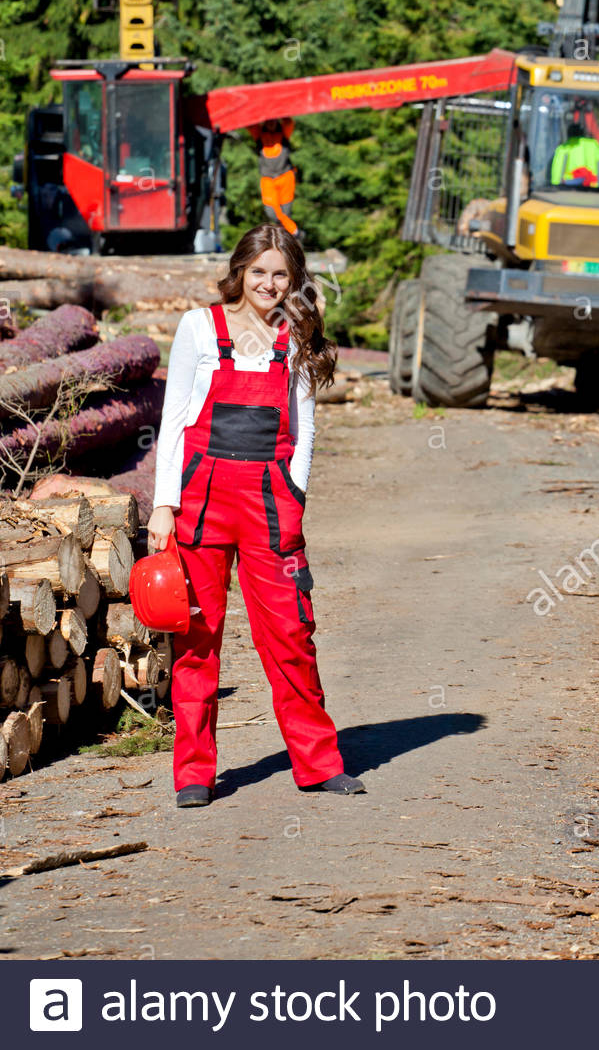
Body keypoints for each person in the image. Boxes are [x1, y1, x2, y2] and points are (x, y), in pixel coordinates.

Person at [147, 222, 365, 808]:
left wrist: (296, 494)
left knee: (292, 633)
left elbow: (307, 424)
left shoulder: (296, 336)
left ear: (293, 279)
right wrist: (164, 504)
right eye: (259, 271)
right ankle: (194, 773)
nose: (268, 283)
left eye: (281, 274)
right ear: (239, 272)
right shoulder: (199, 326)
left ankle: (318, 764)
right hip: (201, 497)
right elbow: (172, 422)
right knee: (196, 639)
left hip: (270, 503)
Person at [550, 120, 599, 189]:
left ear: (568, 134)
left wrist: (556, 186)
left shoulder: (564, 148)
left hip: (568, 188)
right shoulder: (595, 145)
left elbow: (558, 169)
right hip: (594, 189)